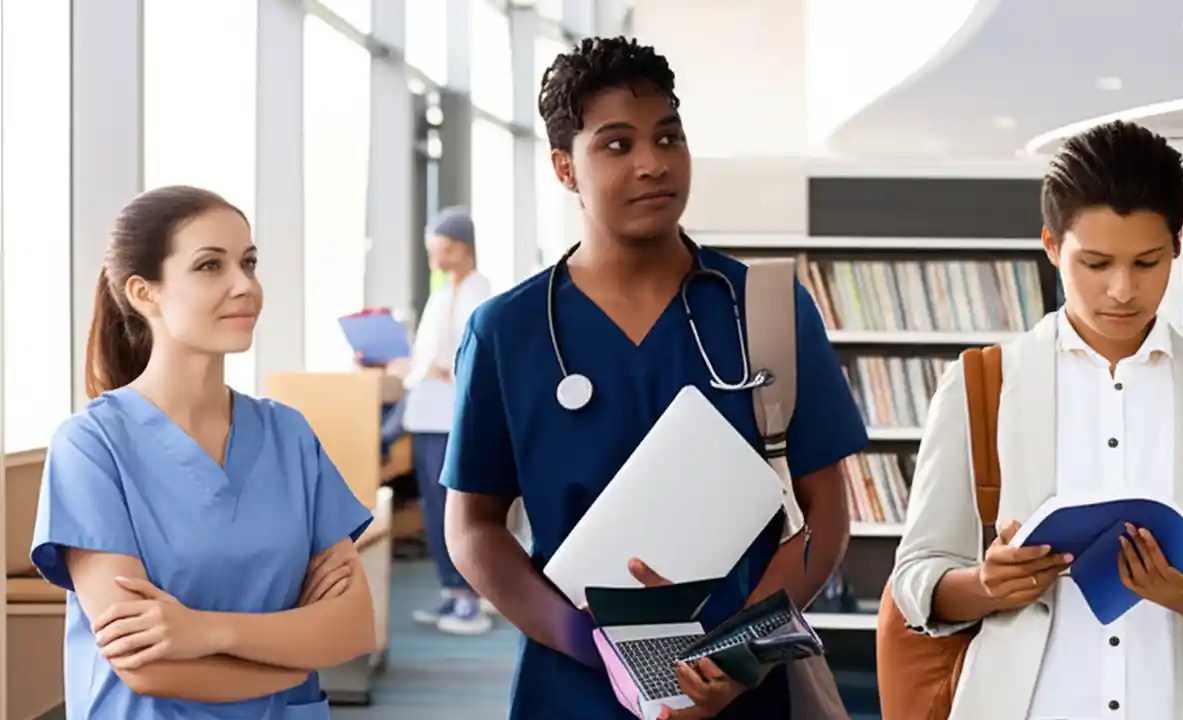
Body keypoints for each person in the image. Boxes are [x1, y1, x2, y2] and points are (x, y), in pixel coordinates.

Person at [439, 36, 868, 720]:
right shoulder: (506, 332)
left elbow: (826, 513)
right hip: (575, 685)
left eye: (669, 137)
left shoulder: (766, 308)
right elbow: (473, 529)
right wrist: (595, 650)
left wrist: (739, 658)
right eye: (617, 144)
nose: (653, 164)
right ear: (564, 168)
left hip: (742, 685)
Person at [889, 120, 1183, 719]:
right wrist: (987, 586)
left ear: (1178, 245)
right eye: (1096, 263)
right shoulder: (980, 385)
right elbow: (917, 578)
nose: (1122, 290)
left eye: (1146, 263)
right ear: (1051, 245)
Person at [30, 186, 377, 719]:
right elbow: (146, 666)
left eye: (249, 262)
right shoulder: (91, 447)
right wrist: (295, 652)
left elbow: (353, 628)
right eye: (210, 266)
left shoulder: (288, 434)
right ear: (145, 293)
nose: (245, 285)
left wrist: (202, 630)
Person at [387, 207, 494, 634]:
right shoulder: (442, 291)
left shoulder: (477, 292)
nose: (432, 253)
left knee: (456, 508)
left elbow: (475, 353)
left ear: (460, 248)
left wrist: (442, 368)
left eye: (440, 246)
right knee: (434, 506)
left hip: (454, 416)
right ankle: (453, 593)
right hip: (429, 413)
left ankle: (469, 596)